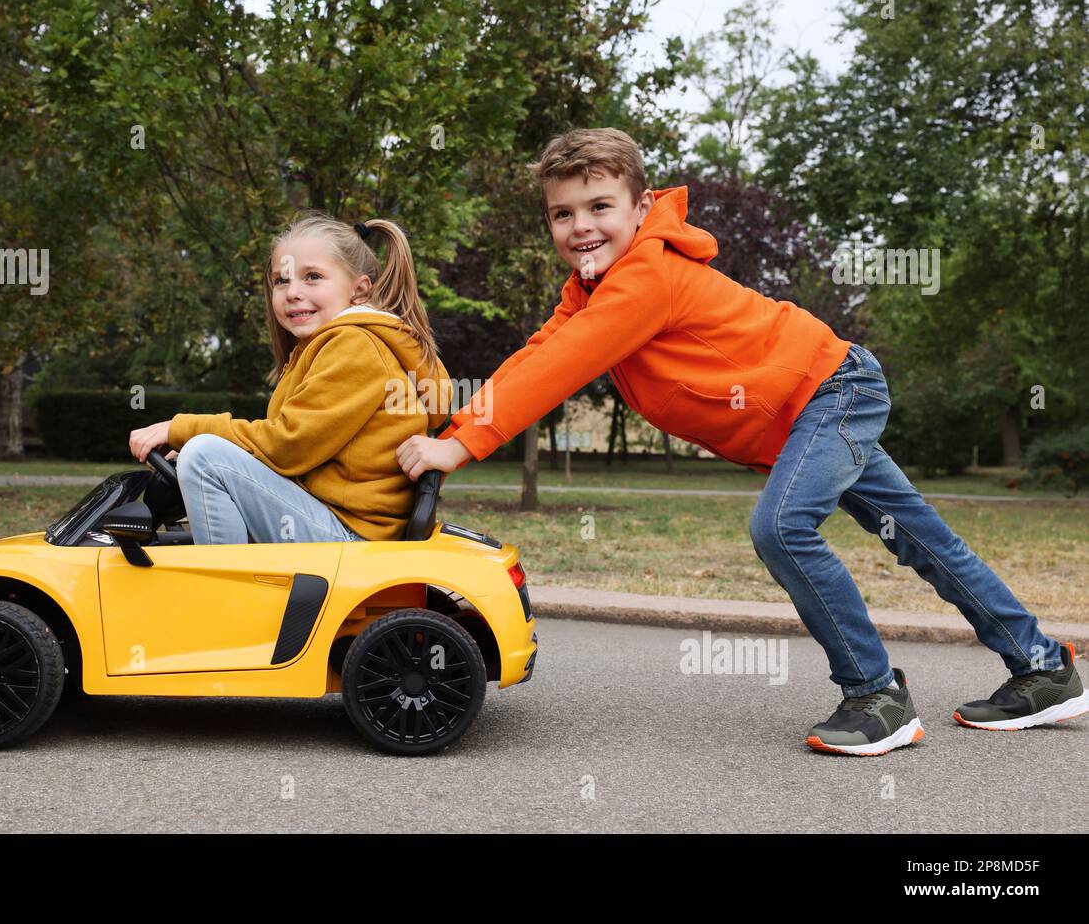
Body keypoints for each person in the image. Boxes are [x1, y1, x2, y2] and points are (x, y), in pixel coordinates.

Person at [395, 127, 1084, 754]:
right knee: (923, 538)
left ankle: (875, 694)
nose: (580, 227)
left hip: (832, 391)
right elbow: (542, 349)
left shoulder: (646, 276)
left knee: (781, 527)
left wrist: (459, 448)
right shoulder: (592, 290)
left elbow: (560, 366)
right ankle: (1044, 668)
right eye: (562, 213)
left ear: (640, 209)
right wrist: (452, 429)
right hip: (808, 410)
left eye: (599, 207)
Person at [130, 212, 450, 544]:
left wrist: (181, 429)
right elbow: (290, 448)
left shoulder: (355, 346)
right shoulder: (330, 345)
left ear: (360, 290)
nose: (292, 291)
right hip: (328, 517)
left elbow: (288, 445)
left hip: (350, 535)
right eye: (281, 280)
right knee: (205, 456)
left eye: (312, 276)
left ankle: (226, 592)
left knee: (204, 456)